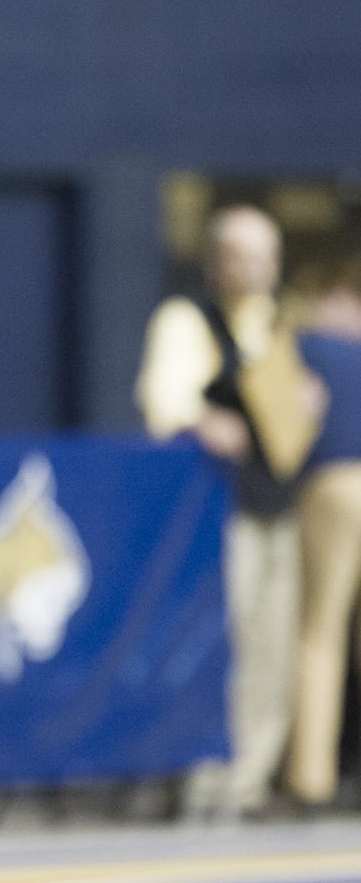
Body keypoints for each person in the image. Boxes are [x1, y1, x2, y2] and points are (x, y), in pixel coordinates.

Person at [135, 205, 299, 822]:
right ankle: (206, 777)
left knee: (271, 644)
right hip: (214, 510)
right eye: (244, 257)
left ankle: (250, 780)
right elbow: (164, 401)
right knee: (217, 643)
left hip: (275, 503)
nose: (258, 271)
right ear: (217, 261)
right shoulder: (188, 319)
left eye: (268, 258)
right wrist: (201, 420)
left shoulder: (278, 322)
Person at [284, 263, 361, 807]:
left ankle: (310, 779)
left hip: (333, 483)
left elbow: (290, 424)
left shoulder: (306, 348)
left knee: (319, 632)